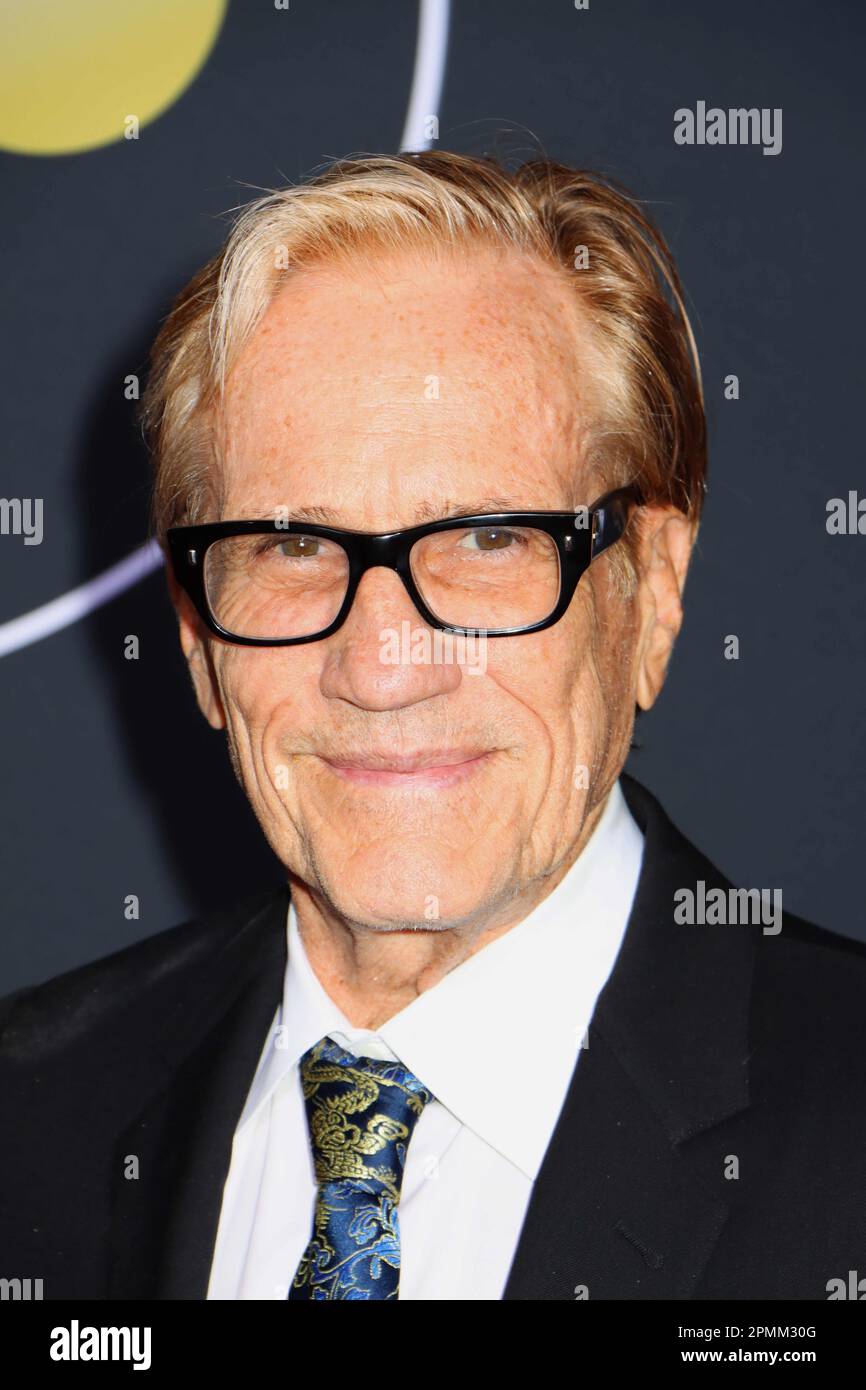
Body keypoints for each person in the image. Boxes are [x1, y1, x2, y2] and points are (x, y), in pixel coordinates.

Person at [2, 151, 865, 1301]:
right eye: (293, 546)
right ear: (196, 634)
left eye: (487, 538)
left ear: (651, 587)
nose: (381, 667)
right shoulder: (27, 1114)